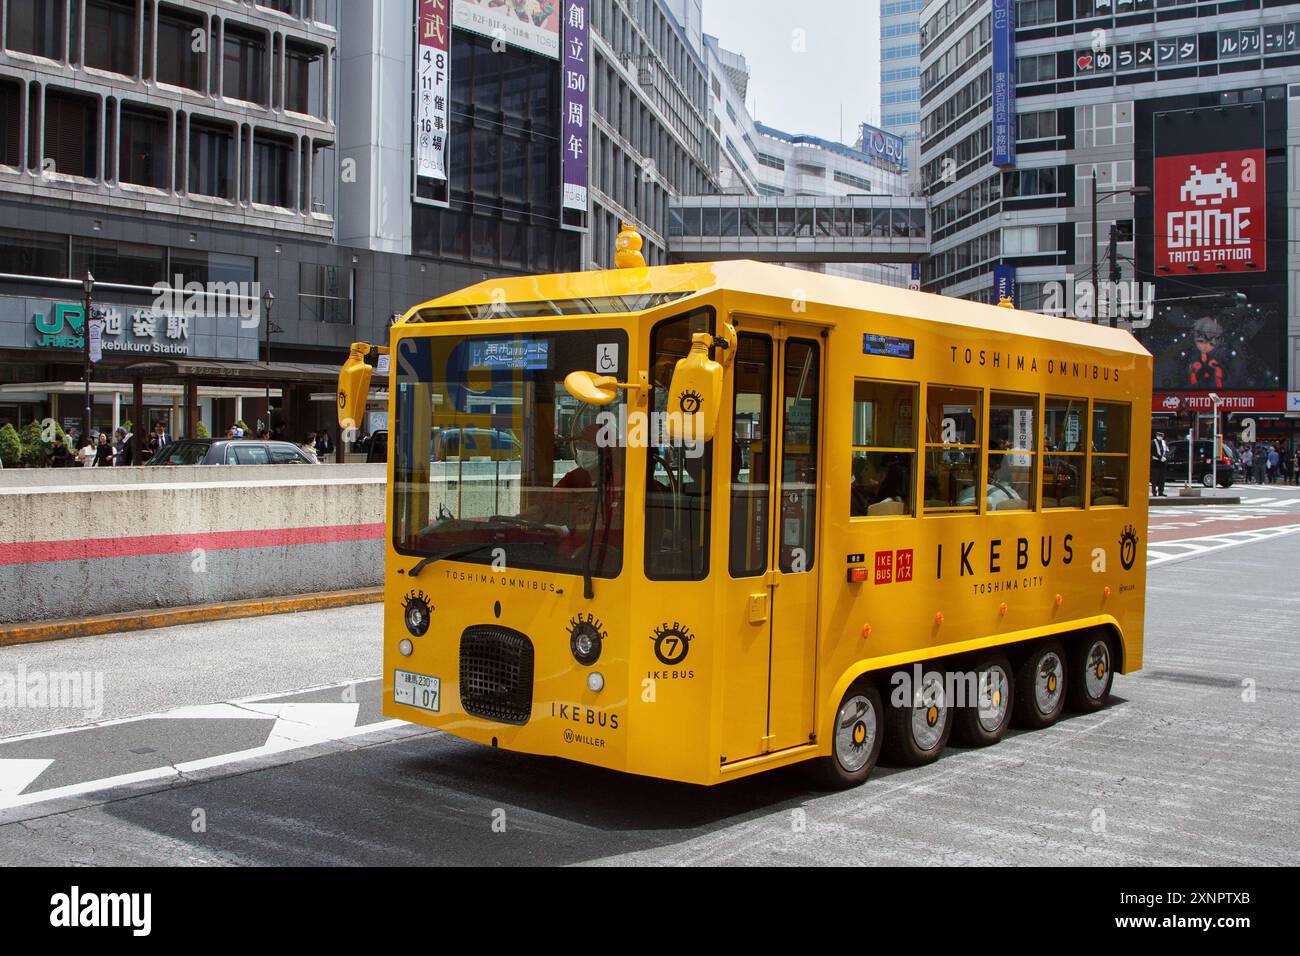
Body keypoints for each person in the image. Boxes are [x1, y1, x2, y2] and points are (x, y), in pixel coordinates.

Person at [1150, 430, 1170, 497]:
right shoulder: (1153, 442)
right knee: (1155, 478)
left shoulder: (1164, 442)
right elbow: (1152, 451)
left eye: (1162, 436)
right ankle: (1154, 492)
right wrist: (1160, 457)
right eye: (1159, 436)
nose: (1161, 437)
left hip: (1163, 462)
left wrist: (1165, 457)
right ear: (1157, 436)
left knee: (1162, 478)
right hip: (1155, 462)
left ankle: (1161, 492)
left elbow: (1167, 451)